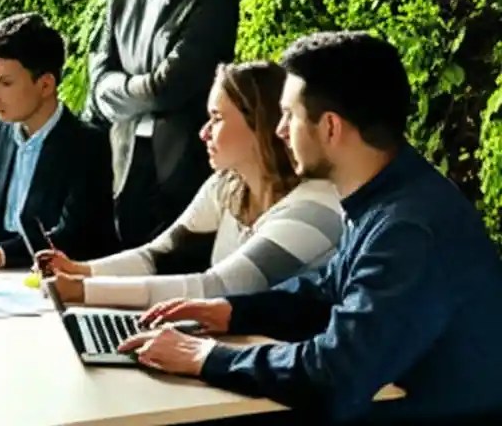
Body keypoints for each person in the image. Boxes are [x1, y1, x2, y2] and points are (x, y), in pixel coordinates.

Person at [120, 32, 502, 424]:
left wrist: (205, 357)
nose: (280, 130)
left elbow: (333, 373)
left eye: (290, 115)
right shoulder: (387, 196)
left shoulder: (408, 229)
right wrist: (232, 312)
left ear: (331, 128)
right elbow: (326, 290)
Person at [41, 61, 342, 307]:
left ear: (260, 123)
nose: (204, 132)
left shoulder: (315, 208)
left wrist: (85, 290)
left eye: (217, 118)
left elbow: (222, 286)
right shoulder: (228, 185)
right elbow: (158, 254)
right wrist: (83, 271)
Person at [86, 0, 240, 249]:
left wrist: (120, 90)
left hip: (180, 164)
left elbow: (169, 87)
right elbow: (97, 81)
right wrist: (134, 87)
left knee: (172, 266)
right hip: (122, 157)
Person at [0, 13, 117, 269]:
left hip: (58, 281)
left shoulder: (87, 146)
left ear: (46, 85)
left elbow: (72, 238)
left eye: (6, 82)